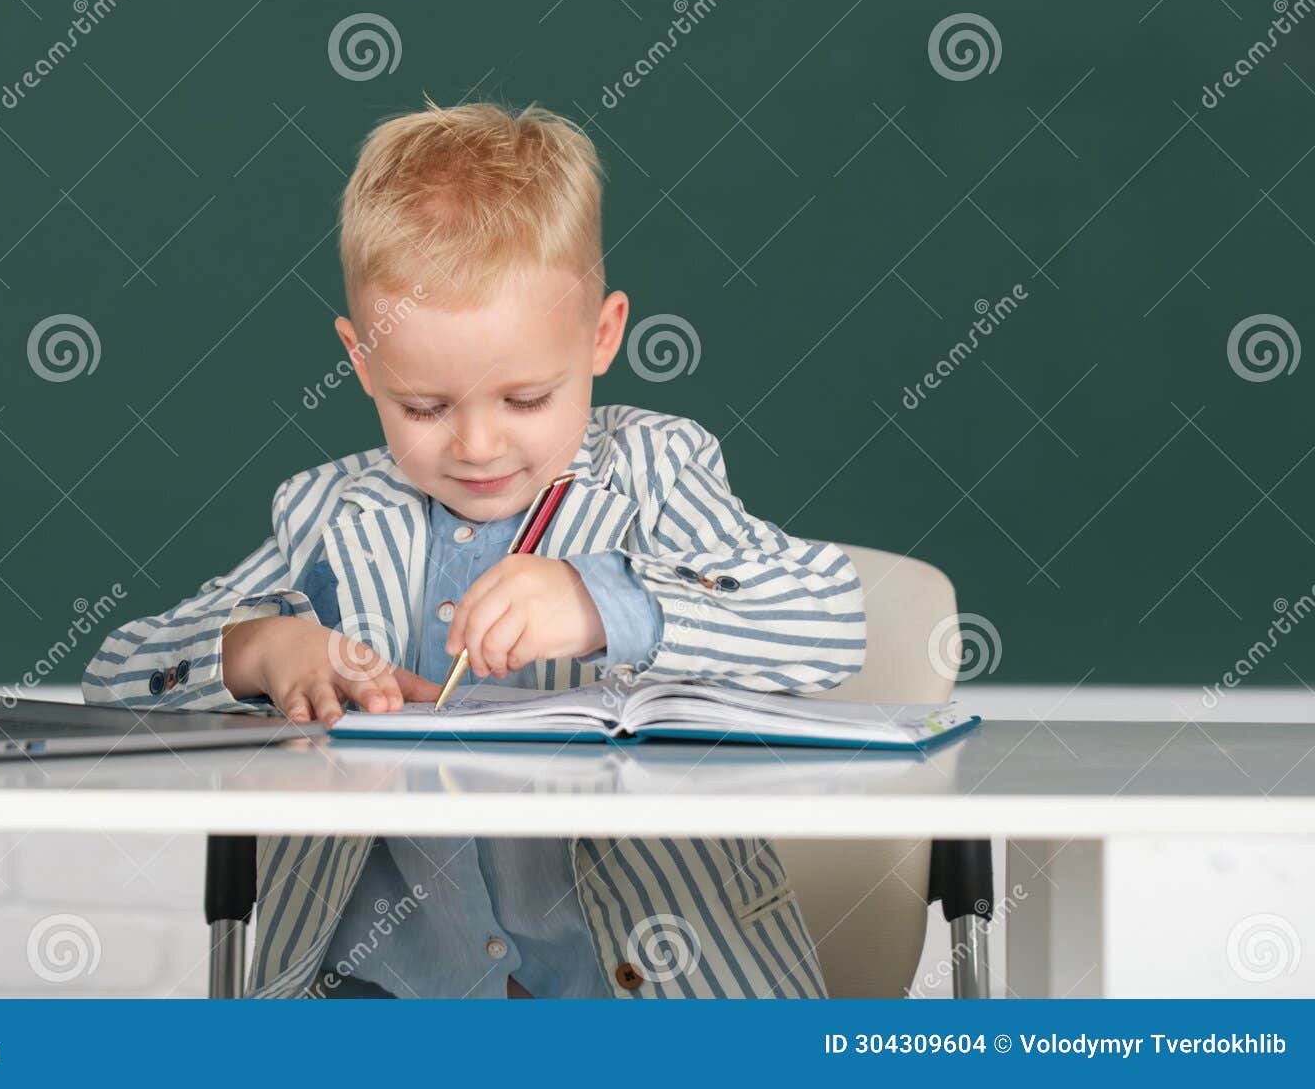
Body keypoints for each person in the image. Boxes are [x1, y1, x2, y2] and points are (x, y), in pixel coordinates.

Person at [82, 100, 866, 998]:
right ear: (364, 360)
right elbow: (117, 677)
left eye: (527, 399)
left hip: (641, 994)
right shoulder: (332, 512)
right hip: (378, 999)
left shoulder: (658, 468)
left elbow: (830, 619)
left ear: (603, 335)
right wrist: (260, 650)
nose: (478, 446)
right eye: (425, 407)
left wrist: (605, 600)